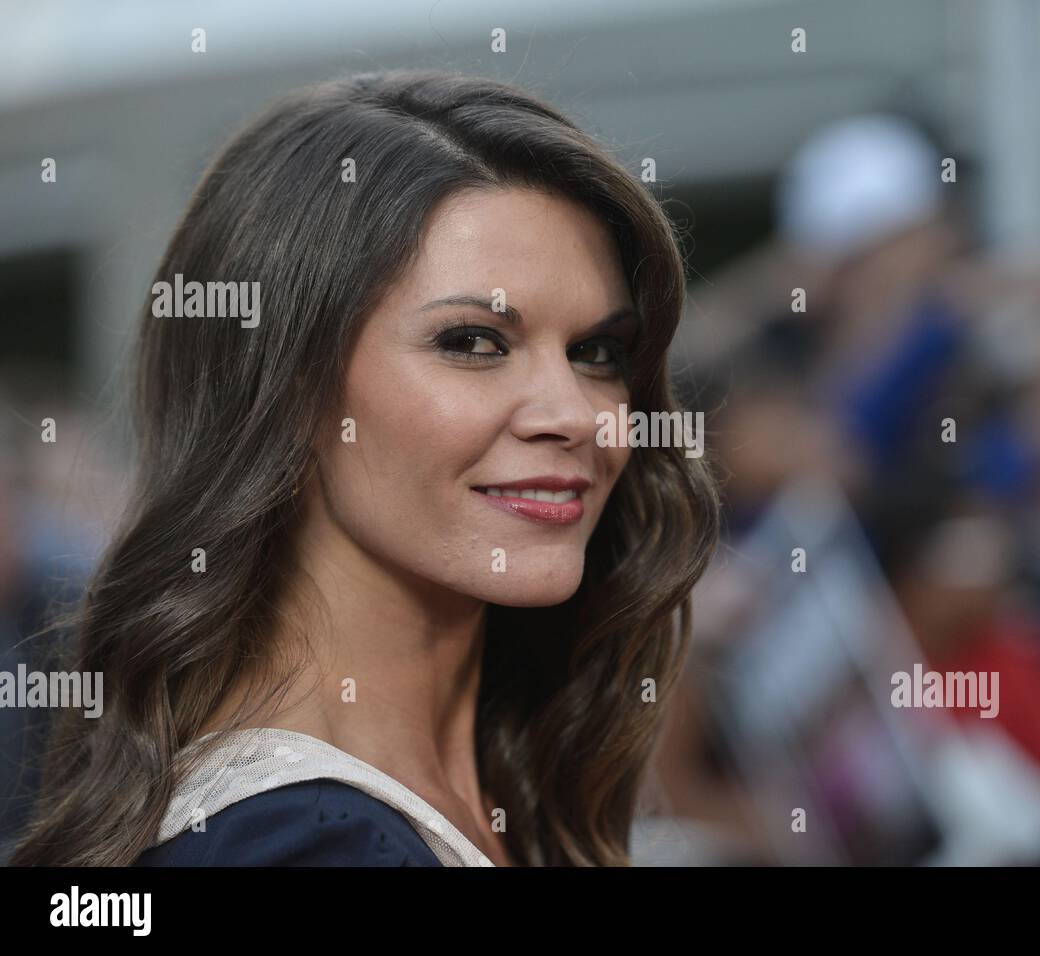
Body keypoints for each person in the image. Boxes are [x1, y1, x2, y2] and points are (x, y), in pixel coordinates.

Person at [9, 70, 721, 867]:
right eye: (474, 342)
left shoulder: (488, 780)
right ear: (285, 388)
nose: (574, 415)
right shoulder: (301, 847)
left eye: (597, 353)